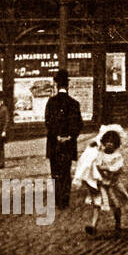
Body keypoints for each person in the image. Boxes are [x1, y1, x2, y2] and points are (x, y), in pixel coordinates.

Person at [74, 125, 128, 236]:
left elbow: (118, 169)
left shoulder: (117, 156)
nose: (109, 144)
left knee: (116, 205)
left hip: (112, 185)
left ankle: (118, 224)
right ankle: (93, 225)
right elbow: (92, 161)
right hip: (101, 185)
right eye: (107, 141)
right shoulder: (99, 154)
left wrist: (107, 169)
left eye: (112, 142)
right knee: (97, 204)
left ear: (116, 144)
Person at [44, 69, 83, 209]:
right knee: (66, 172)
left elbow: (48, 122)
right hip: (68, 145)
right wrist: (70, 137)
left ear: (56, 85)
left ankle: (57, 201)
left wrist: (57, 136)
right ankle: (64, 201)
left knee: (55, 172)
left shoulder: (51, 102)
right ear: (67, 86)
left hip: (54, 144)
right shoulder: (74, 103)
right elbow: (79, 124)